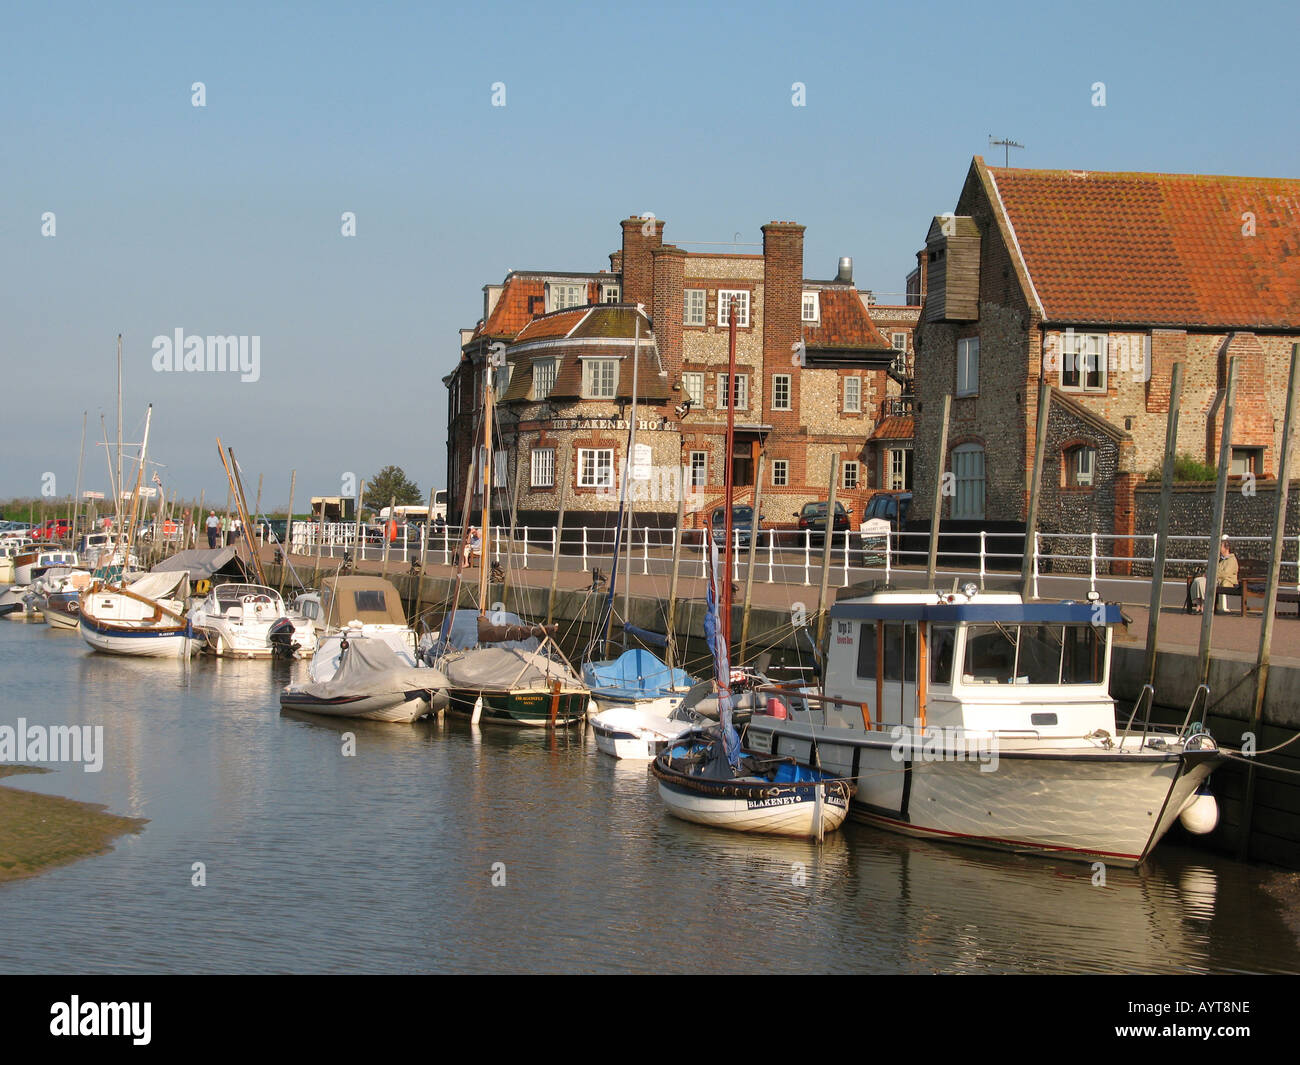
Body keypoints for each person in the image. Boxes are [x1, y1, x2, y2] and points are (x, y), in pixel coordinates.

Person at [1190, 535, 1238, 615]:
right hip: (1214, 579)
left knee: (1203, 583)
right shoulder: (1220, 559)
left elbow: (1225, 574)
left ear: (1226, 548)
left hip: (1223, 580)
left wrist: (1211, 575)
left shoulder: (1232, 560)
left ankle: (1204, 605)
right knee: (1197, 580)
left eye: (1221, 546)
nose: (1219, 548)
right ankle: (1199, 604)